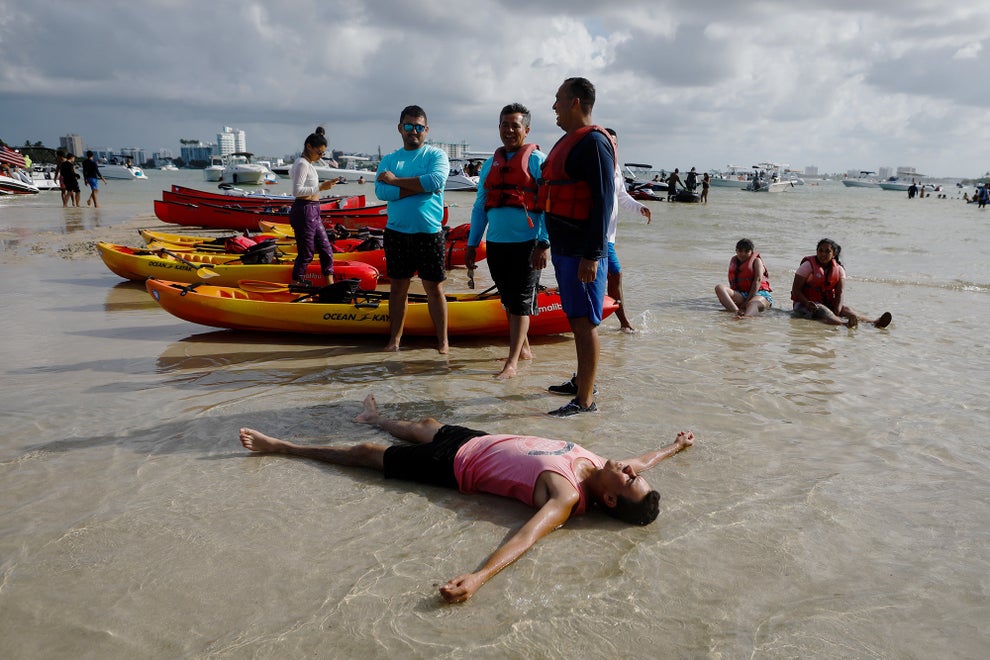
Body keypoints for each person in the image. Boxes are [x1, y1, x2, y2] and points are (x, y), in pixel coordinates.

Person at [237, 393, 695, 603]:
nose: (631, 468)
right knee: (422, 425)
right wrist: (675, 446)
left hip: (454, 468)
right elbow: (647, 459)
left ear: (611, 502)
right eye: (633, 472)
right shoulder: (601, 466)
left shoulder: (566, 496)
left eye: (631, 478)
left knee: (365, 457)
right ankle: (374, 417)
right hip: (476, 438)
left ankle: (281, 447)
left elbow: (526, 538)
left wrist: (477, 578)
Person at [538, 78, 616, 416]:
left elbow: (603, 201)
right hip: (564, 247)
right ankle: (582, 381)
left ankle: (585, 401)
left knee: (585, 324)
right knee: (576, 319)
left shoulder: (594, 143)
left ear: (575, 102)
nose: (553, 106)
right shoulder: (568, 142)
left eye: (558, 99)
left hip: (581, 252)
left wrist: (593, 254)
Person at [466, 103, 548, 379]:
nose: (509, 130)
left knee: (522, 301)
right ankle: (523, 350)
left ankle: (511, 363)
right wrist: (472, 243)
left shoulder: (537, 160)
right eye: (504, 124)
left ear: (527, 129)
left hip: (528, 243)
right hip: (497, 244)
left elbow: (548, 204)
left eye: (515, 125)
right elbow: (480, 208)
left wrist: (544, 243)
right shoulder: (491, 164)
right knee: (509, 300)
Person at [375, 105, 450, 354]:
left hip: (429, 232)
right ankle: (394, 340)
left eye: (419, 127)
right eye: (409, 126)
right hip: (396, 232)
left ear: (426, 130)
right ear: (400, 128)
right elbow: (380, 192)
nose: (413, 131)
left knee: (434, 288)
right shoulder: (389, 159)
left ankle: (442, 342)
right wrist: (420, 187)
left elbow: (435, 181)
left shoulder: (436, 156)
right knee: (398, 287)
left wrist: (396, 182)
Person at [603, 128, 651, 332]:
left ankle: (623, 323)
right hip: (594, 235)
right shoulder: (595, 164)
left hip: (608, 237)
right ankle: (623, 323)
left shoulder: (616, 168)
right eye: (608, 142)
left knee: (614, 276)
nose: (611, 146)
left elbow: (621, 196)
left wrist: (640, 208)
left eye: (614, 143)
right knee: (611, 275)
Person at [790, 238, 892, 328]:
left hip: (826, 303)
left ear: (834, 254)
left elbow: (840, 293)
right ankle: (844, 324)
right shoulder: (807, 266)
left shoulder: (839, 270)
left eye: (827, 251)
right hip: (804, 305)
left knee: (845, 309)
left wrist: (837, 310)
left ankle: (874, 322)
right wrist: (807, 303)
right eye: (820, 251)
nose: (823, 254)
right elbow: (796, 290)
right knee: (821, 309)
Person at [290, 127, 342, 287]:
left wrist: (325, 186)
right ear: (309, 147)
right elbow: (297, 192)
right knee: (306, 253)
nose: (320, 156)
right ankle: (296, 283)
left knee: (326, 250)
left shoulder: (309, 164)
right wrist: (321, 187)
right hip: (304, 209)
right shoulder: (302, 164)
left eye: (323, 154)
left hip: (313, 210)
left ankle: (330, 285)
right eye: (319, 152)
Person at [714, 238, 773, 317]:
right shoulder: (735, 261)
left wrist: (747, 300)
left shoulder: (757, 261)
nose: (743, 254)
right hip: (742, 294)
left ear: (751, 251)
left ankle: (746, 318)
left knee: (752, 304)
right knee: (719, 287)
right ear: (736, 251)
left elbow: (758, 280)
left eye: (746, 251)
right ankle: (736, 312)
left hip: (759, 294)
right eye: (740, 251)